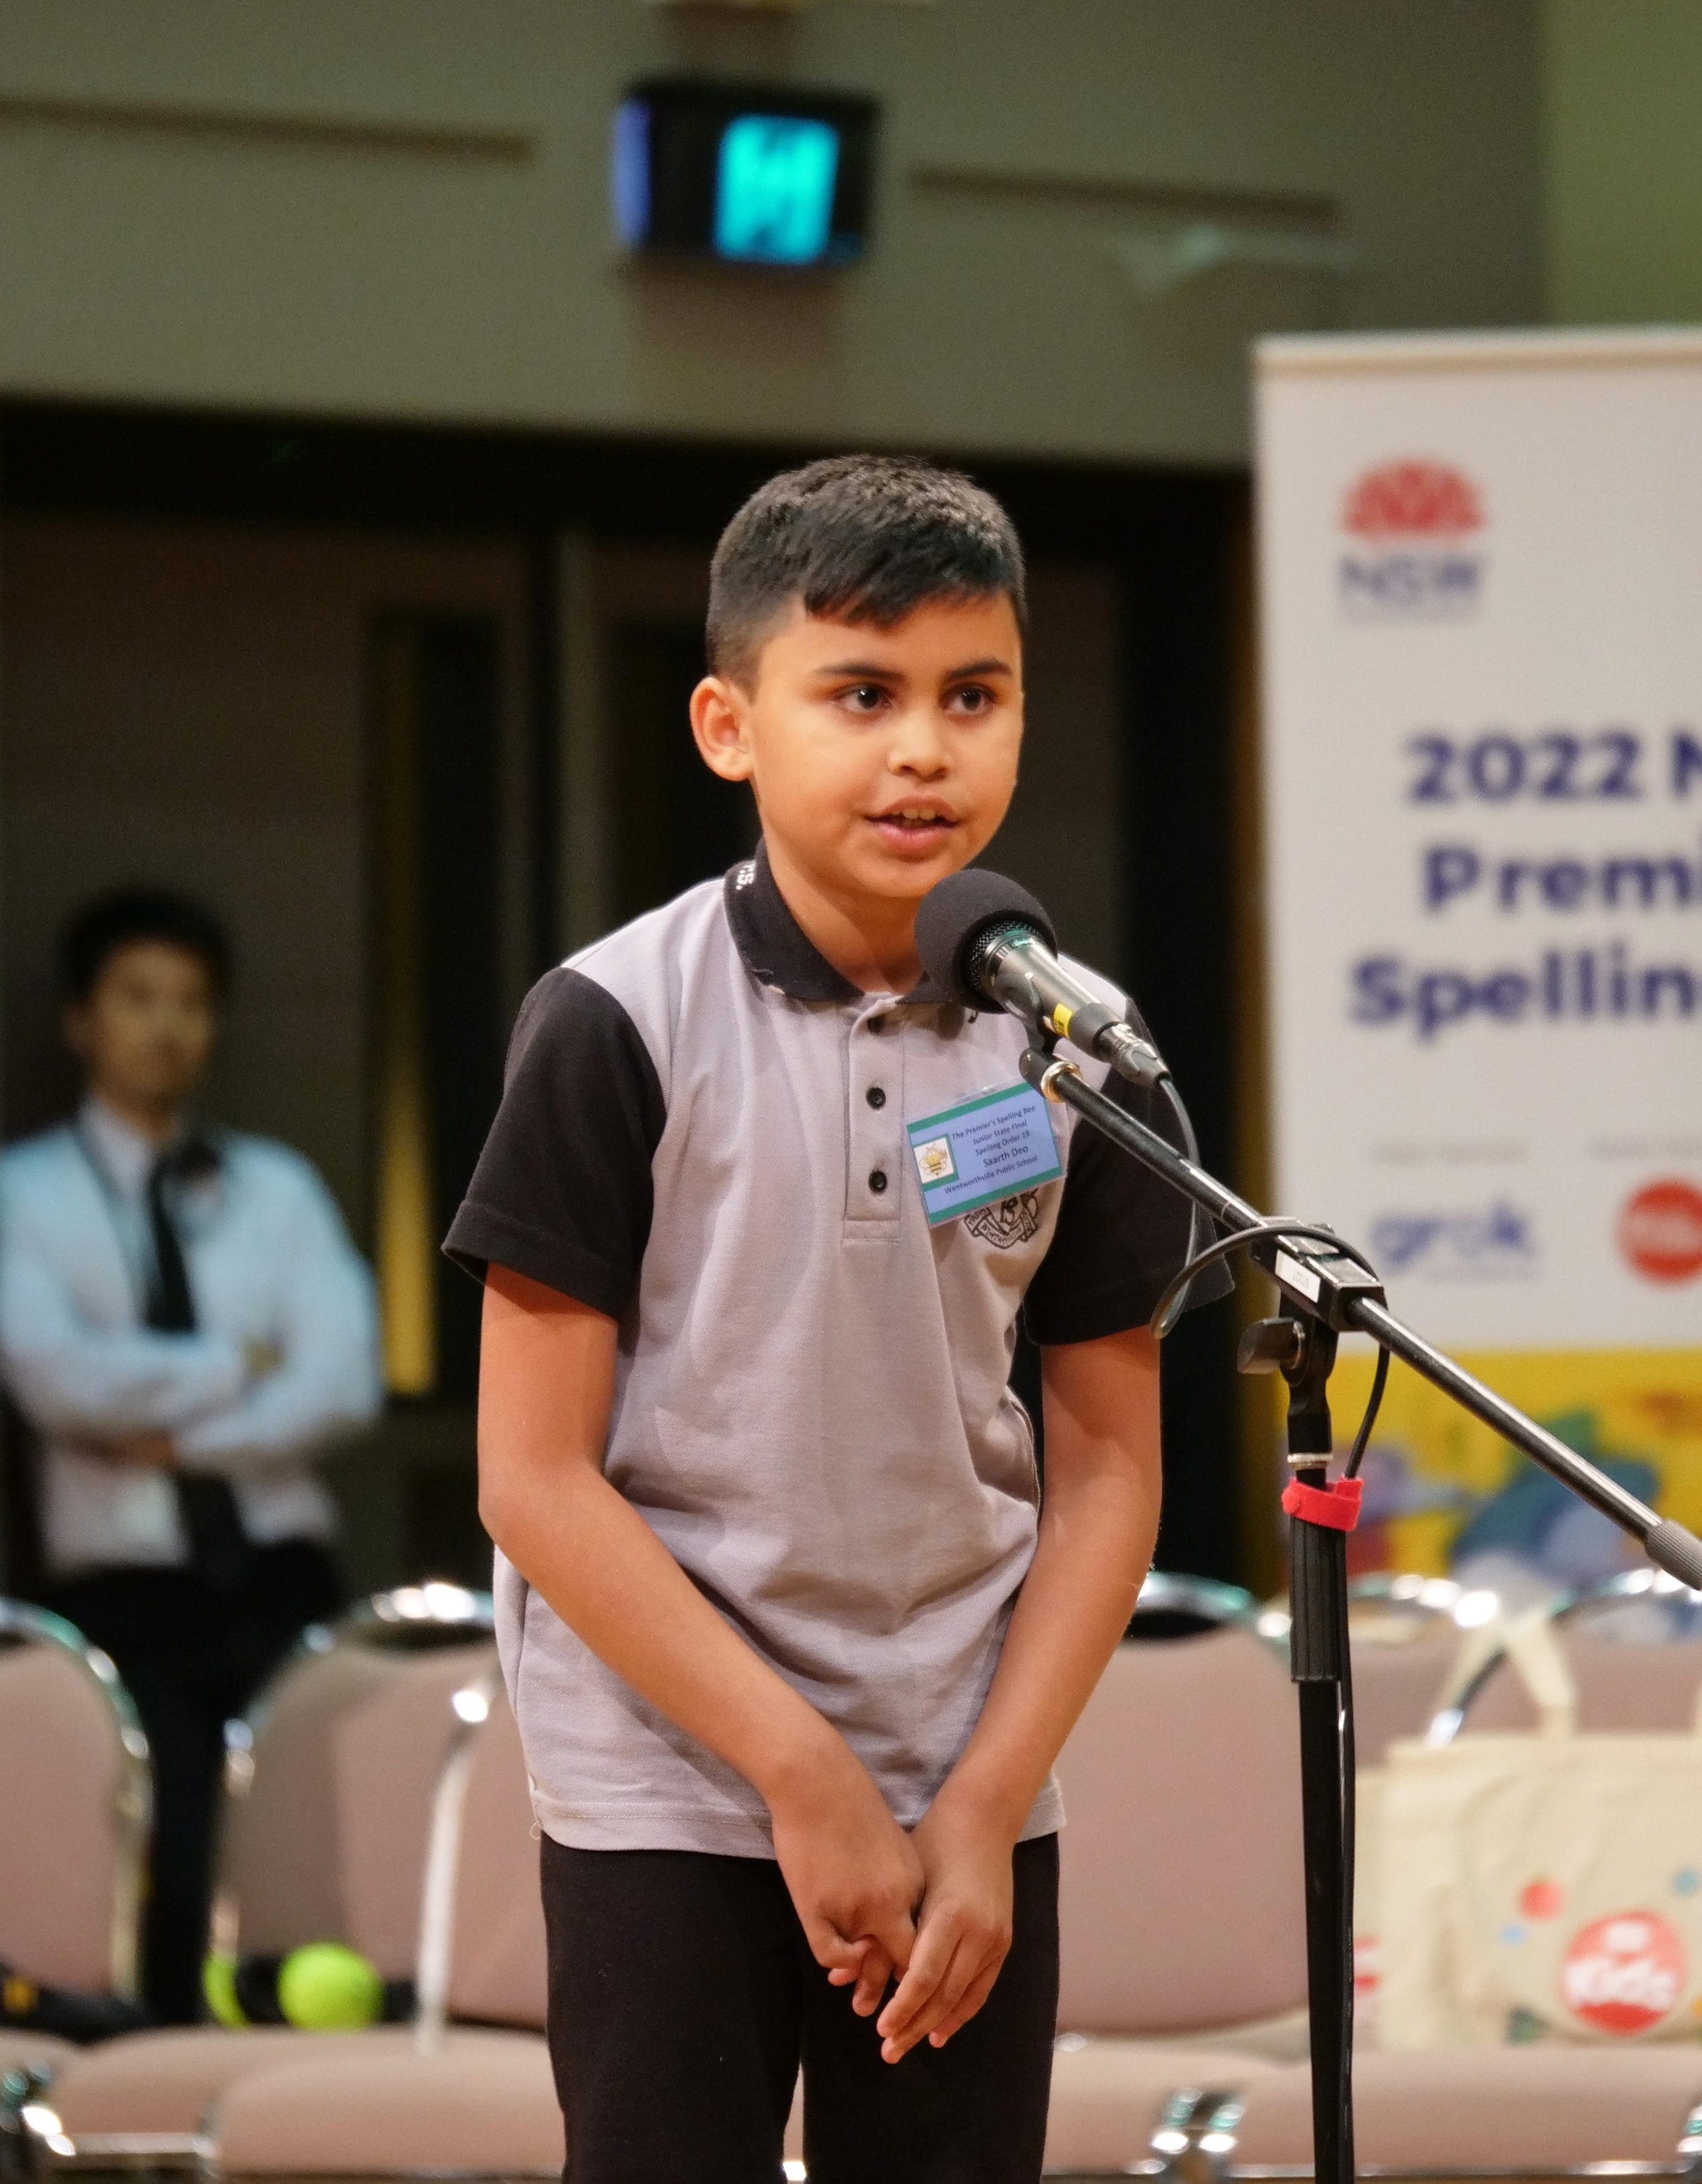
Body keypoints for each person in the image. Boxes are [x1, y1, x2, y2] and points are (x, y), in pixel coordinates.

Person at [444, 455, 1201, 2182]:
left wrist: (989, 1800)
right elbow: (532, 1474)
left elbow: (1105, 1468)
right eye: (860, 694)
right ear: (731, 723)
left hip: (964, 1776)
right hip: (676, 1771)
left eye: (973, 695)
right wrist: (799, 1769)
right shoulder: (614, 1021)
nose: (922, 748)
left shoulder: (1085, 1047)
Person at [0, 885, 383, 2023]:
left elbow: (343, 1379)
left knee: (314, 1853)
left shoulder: (276, 1190)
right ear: (81, 1020)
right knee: (162, 1860)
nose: (167, 1026)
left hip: (278, 1569)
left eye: (191, 1003)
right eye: (138, 998)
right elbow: (52, 1374)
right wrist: (235, 1364)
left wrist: (172, 1429)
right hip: (124, 1588)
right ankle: (160, 2090)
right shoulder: (26, 1191)